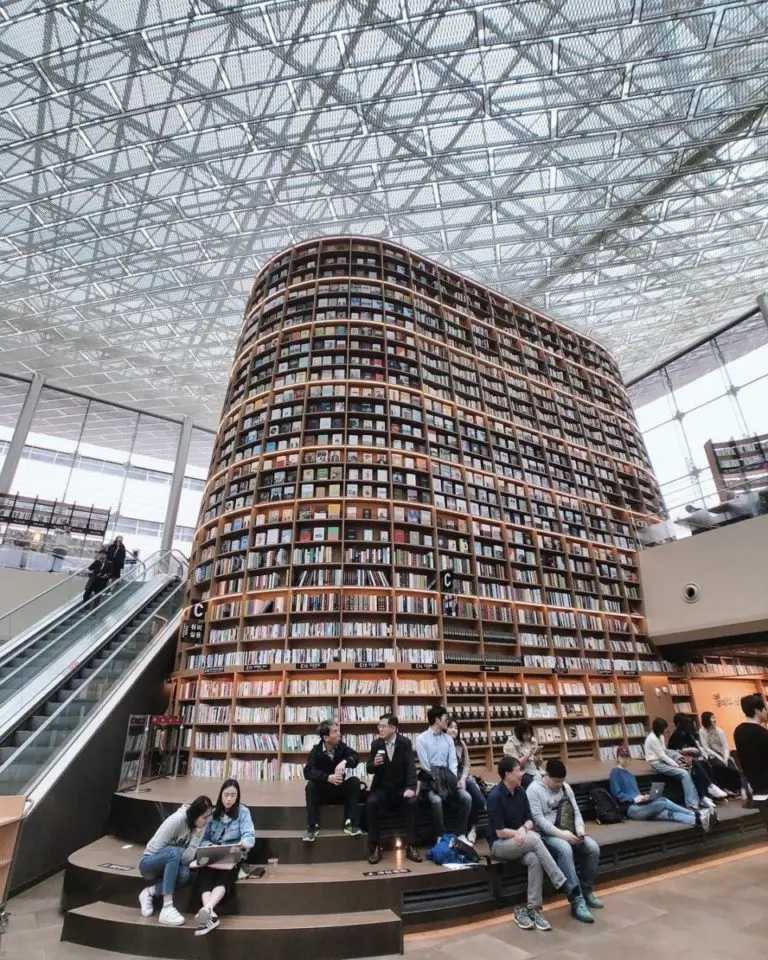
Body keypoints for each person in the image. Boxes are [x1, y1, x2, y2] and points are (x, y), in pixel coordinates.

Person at [488, 756, 580, 932]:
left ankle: (534, 908)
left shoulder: (521, 792)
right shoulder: (495, 797)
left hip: (522, 840)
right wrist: (521, 832)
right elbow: (499, 832)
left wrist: (524, 828)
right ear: (507, 774)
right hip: (500, 845)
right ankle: (561, 881)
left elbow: (530, 819)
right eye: (518, 770)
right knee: (536, 839)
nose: (521, 773)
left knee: (535, 859)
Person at [526, 759, 601, 923]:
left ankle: (586, 889)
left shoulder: (566, 787)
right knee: (565, 849)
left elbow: (576, 811)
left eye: (562, 780)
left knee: (593, 848)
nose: (560, 784)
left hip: (568, 830)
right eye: (556, 781)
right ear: (547, 775)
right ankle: (576, 900)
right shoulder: (534, 790)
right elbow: (538, 821)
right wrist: (561, 834)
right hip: (546, 834)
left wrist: (580, 829)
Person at [138, 795, 213, 926]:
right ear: (195, 815)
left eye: (208, 817)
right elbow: (153, 849)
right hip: (149, 863)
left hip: (171, 865)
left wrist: (196, 836)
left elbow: (186, 860)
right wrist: (171, 856)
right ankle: (167, 907)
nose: (207, 821)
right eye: (204, 817)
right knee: (174, 851)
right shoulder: (177, 820)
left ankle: (149, 892)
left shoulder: (200, 827)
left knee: (185, 874)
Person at [194, 779, 255, 936]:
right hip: (214, 853)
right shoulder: (213, 813)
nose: (229, 799)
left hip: (232, 854)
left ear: (237, 796)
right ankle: (209, 913)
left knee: (227, 873)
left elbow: (249, 835)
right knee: (205, 872)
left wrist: (243, 844)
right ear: (221, 795)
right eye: (226, 795)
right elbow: (204, 837)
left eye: (233, 795)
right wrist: (211, 847)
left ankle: (207, 910)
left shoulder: (243, 812)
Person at [609, 746, 710, 831]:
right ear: (617, 757)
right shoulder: (615, 772)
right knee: (663, 803)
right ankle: (695, 813)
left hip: (641, 805)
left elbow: (635, 793)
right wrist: (633, 799)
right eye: (622, 756)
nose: (625, 759)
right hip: (631, 809)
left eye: (627, 757)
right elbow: (617, 794)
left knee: (666, 812)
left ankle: (698, 820)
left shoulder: (630, 775)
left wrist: (644, 797)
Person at [365, 714, 421, 864]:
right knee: (371, 803)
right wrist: (374, 765)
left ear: (393, 728)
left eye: (383, 726)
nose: (379, 729)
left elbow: (411, 767)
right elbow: (368, 768)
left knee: (412, 802)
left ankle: (411, 845)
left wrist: (411, 788)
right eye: (379, 726)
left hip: (401, 788)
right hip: (382, 789)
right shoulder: (376, 744)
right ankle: (376, 846)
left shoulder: (405, 743)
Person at [415, 705, 471, 842]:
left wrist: (451, 781)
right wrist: (437, 783)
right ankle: (441, 835)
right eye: (445, 719)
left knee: (466, 798)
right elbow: (425, 765)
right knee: (436, 801)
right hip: (431, 779)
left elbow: (452, 762)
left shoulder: (448, 739)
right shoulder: (421, 739)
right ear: (437, 720)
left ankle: (461, 834)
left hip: (448, 777)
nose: (447, 722)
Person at [303, 720, 361, 842]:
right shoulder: (316, 751)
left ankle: (351, 822)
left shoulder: (342, 747)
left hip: (339, 790)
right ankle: (312, 826)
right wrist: (327, 778)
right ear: (325, 737)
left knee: (355, 781)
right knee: (310, 786)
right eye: (335, 731)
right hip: (323, 792)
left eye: (338, 730)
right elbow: (307, 771)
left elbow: (355, 757)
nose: (339, 734)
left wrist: (345, 761)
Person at [644, 717, 710, 810]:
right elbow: (662, 756)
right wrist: (676, 765)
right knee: (683, 773)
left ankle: (698, 799)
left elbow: (665, 751)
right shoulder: (652, 739)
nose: (666, 731)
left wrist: (677, 760)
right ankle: (691, 802)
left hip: (663, 760)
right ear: (659, 728)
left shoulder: (661, 737)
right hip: (656, 763)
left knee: (687, 769)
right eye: (664, 728)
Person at [667, 714, 729, 801]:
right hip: (680, 759)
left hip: (692, 757)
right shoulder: (676, 735)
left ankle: (713, 788)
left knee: (705, 763)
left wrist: (700, 754)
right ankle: (706, 791)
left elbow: (696, 747)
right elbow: (675, 751)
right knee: (697, 765)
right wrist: (688, 750)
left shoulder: (688, 734)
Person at [447, 717, 487, 844]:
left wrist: (463, 778)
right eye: (451, 727)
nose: (454, 730)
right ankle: (473, 827)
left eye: (456, 728)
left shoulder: (461, 744)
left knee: (474, 794)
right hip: (450, 779)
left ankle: (473, 828)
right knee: (470, 792)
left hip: (463, 777)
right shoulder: (442, 744)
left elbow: (467, 764)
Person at [699, 712, 745, 796]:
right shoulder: (702, 731)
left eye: (714, 717)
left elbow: (725, 745)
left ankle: (736, 789)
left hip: (723, 753)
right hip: (712, 755)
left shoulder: (719, 730)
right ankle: (724, 788)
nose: (714, 720)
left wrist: (726, 757)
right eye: (712, 718)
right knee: (720, 766)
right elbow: (705, 747)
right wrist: (719, 757)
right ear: (707, 720)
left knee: (732, 768)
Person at [734, 694, 768, 797]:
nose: (766, 712)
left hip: (754, 784)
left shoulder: (738, 731)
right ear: (757, 710)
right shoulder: (763, 733)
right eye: (764, 709)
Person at [503, 721, 543, 789]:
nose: (529, 736)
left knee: (549, 780)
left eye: (530, 734)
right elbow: (516, 765)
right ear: (519, 733)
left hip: (534, 771)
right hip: (521, 772)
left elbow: (537, 764)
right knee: (535, 786)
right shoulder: (511, 743)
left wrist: (538, 757)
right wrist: (529, 755)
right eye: (526, 734)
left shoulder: (532, 740)